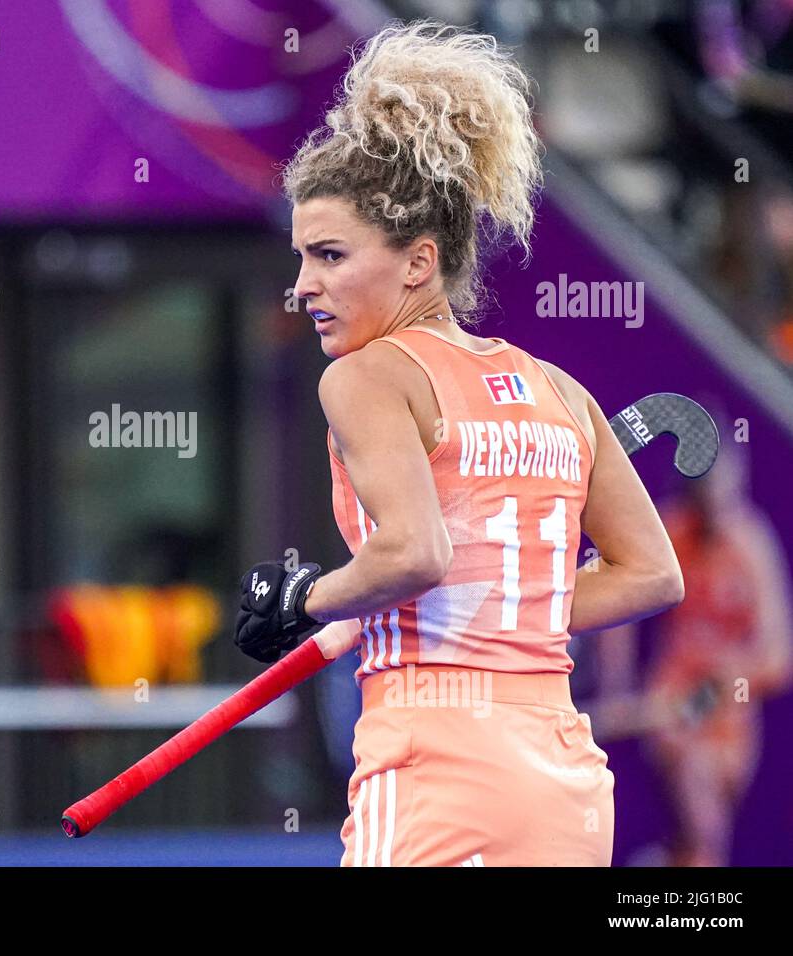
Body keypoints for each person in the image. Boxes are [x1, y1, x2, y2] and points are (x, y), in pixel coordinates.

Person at [232, 22, 684, 866]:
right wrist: (477, 621)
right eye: (301, 258)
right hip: (562, 776)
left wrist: (306, 599)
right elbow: (650, 574)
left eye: (330, 255)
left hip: (437, 767)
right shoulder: (562, 391)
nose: (304, 286)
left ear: (418, 262)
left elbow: (414, 554)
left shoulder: (366, 376)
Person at [641, 443, 792, 866]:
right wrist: (622, 682)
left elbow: (779, 657)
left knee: (703, 837)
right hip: (670, 708)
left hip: (730, 720)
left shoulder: (752, 546)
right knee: (695, 804)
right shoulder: (670, 530)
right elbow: (620, 599)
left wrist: (727, 679)